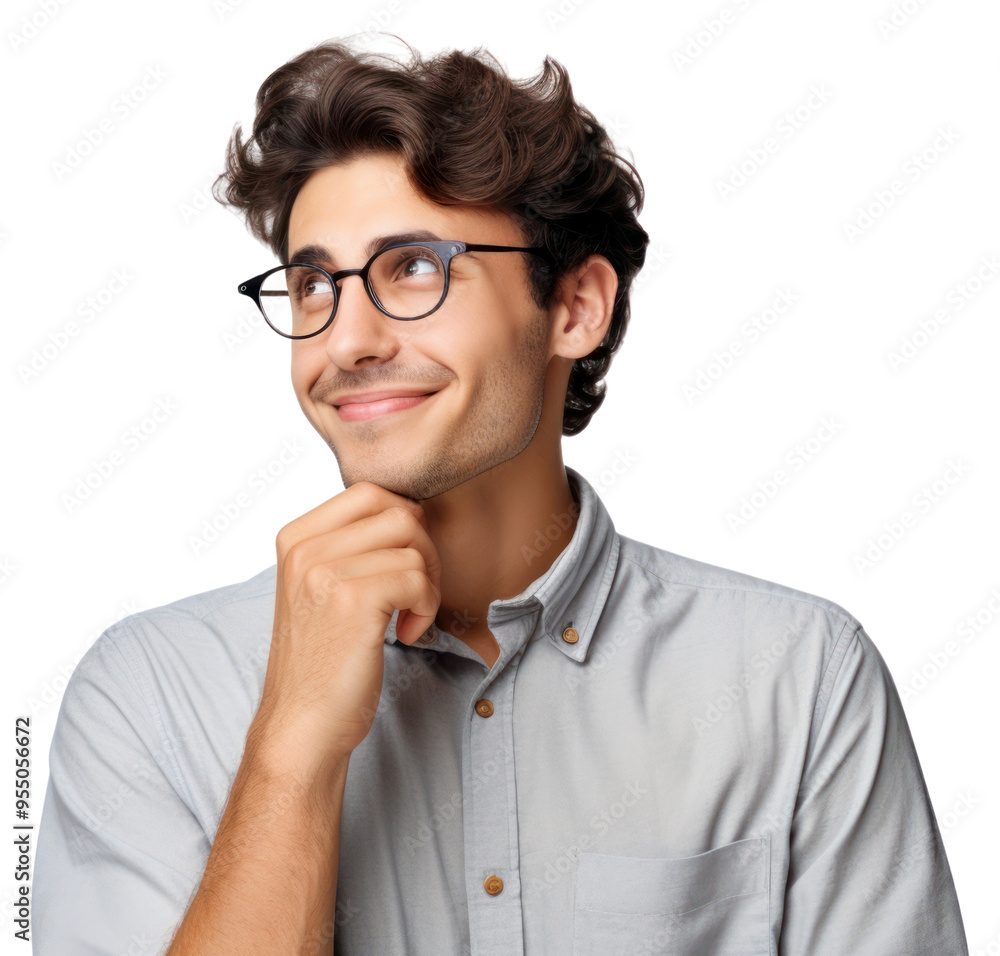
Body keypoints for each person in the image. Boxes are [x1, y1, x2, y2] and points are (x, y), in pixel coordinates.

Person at [33, 36, 968, 956]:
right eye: (315, 283)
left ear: (575, 308)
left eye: (413, 267)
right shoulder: (145, 695)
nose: (345, 340)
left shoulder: (798, 680)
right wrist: (290, 750)